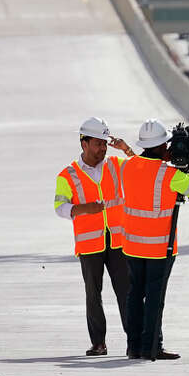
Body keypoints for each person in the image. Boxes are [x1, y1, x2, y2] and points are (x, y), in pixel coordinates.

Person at [118, 118, 189, 361]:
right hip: (159, 247)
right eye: (166, 144)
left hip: (132, 244)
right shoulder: (170, 175)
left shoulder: (127, 166)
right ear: (158, 146)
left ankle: (133, 346)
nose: (169, 148)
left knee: (134, 295)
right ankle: (152, 346)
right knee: (155, 297)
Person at [55, 117, 132, 357]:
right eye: (98, 143)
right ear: (84, 143)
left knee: (126, 292)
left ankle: (135, 340)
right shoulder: (68, 175)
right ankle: (98, 343)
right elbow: (60, 207)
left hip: (118, 240)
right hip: (90, 243)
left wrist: (127, 150)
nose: (102, 149)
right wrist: (85, 209)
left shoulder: (116, 165)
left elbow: (145, 170)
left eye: (105, 144)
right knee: (93, 294)